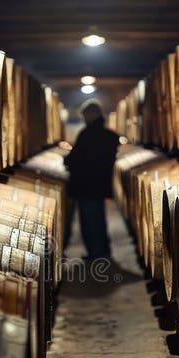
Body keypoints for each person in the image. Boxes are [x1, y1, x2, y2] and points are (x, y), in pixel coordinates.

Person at [63, 101, 120, 260]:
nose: (85, 118)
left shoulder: (87, 135)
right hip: (100, 185)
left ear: (94, 114)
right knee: (99, 219)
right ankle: (104, 250)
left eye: (86, 114)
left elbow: (75, 158)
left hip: (86, 185)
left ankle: (95, 253)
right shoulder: (109, 136)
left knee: (89, 221)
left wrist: (67, 161)